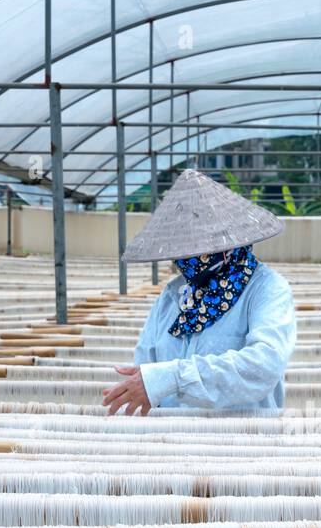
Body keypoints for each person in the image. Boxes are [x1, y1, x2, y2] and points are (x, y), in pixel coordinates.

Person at [102, 169, 296, 416]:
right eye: (183, 248)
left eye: (199, 247)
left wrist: (172, 378)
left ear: (228, 241)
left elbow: (263, 366)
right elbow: (145, 373)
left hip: (245, 445)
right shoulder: (173, 296)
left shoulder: (267, 289)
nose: (187, 257)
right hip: (170, 444)